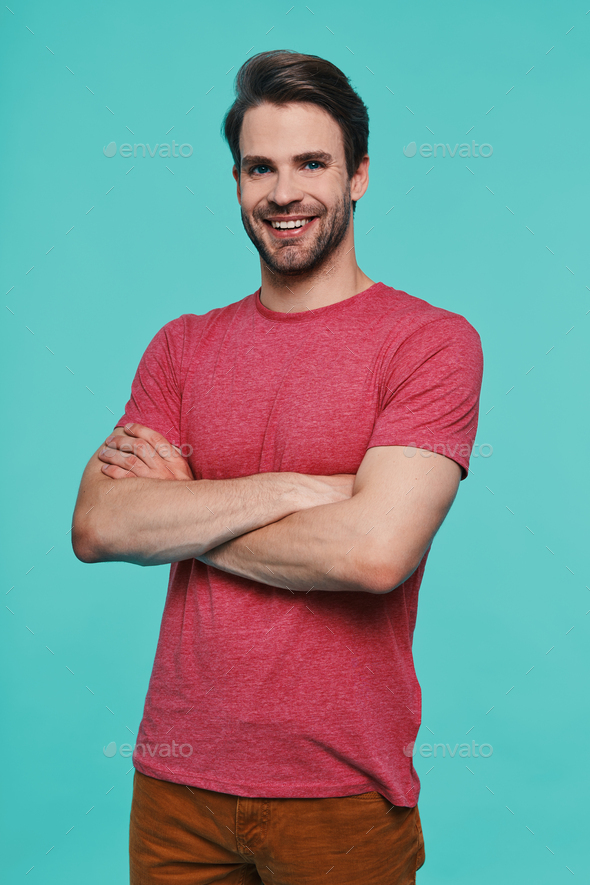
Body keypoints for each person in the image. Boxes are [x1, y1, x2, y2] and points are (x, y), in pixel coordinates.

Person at [72, 49, 483, 885]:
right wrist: (295, 490)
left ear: (359, 174)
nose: (284, 192)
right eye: (260, 167)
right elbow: (99, 524)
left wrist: (187, 512)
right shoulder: (182, 346)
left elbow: (373, 553)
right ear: (235, 183)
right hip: (176, 786)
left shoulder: (430, 343)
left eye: (311, 163)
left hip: (341, 792)